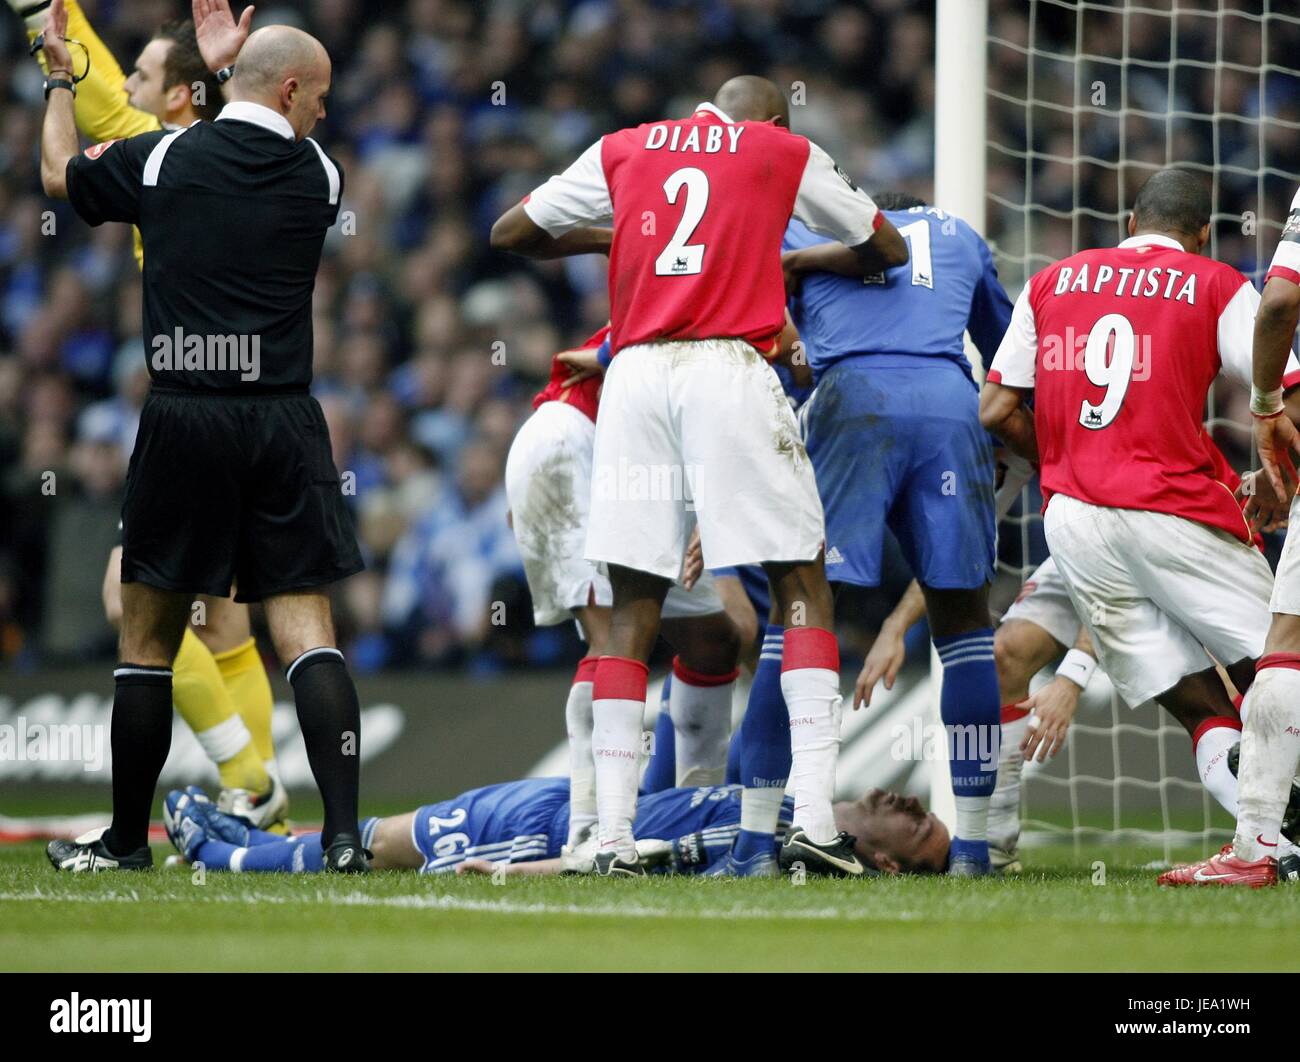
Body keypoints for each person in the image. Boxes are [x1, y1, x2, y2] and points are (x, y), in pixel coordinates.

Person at [492, 74, 907, 878]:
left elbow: (514, 231)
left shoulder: (626, 145)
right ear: (776, 116)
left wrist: (616, 238)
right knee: (801, 581)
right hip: (727, 364)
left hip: (636, 376)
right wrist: (776, 249)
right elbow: (883, 244)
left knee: (628, 610)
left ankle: (611, 837)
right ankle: (815, 822)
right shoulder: (779, 150)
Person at [38, 0, 367, 872]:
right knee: (307, 630)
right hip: (286, 420)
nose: (325, 111)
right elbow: (260, 129)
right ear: (293, 90)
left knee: (146, 638)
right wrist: (229, 74)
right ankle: (340, 839)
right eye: (320, 95)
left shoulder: (164, 156)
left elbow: (58, 176)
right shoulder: (321, 177)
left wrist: (63, 81)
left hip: (184, 413)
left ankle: (123, 842)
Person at [6, 0, 286, 829]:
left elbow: (86, 116)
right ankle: (258, 792)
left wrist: (41, 22)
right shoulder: (273, 160)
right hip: (270, 404)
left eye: (143, 75)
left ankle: (247, 773)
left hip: (200, 408)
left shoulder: (170, 156)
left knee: (126, 596)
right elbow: (117, 100)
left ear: (178, 100)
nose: (128, 83)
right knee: (228, 620)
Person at [980, 168, 1299, 887]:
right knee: (1278, 666)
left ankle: (1267, 847)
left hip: (1074, 523)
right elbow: (1285, 386)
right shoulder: (1216, 283)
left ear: (1129, 221)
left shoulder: (1052, 280)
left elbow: (996, 407)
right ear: (1203, 233)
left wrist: (1061, 455)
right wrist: (1285, 482)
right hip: (1175, 510)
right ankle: (1267, 843)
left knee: (1195, 701)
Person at [770, 192, 1012, 874]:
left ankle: (770, 827)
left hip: (849, 399)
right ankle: (971, 847)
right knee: (964, 626)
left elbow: (781, 358)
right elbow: (1009, 355)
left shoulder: (804, 233)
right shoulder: (960, 233)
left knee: (799, 607)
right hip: (948, 405)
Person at [505, 325, 745, 869]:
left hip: (637, 472)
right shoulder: (711, 303)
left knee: (716, 638)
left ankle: (693, 804)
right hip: (580, 447)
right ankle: (588, 834)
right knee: (609, 634)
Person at [162, 778, 951, 878]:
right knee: (379, 832)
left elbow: (639, 859)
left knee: (377, 847)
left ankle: (222, 853)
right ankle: (242, 842)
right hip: (577, 794)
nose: (913, 806)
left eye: (919, 830)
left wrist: (514, 873)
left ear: (882, 864)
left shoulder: (783, 852)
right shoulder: (792, 809)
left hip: (549, 831)